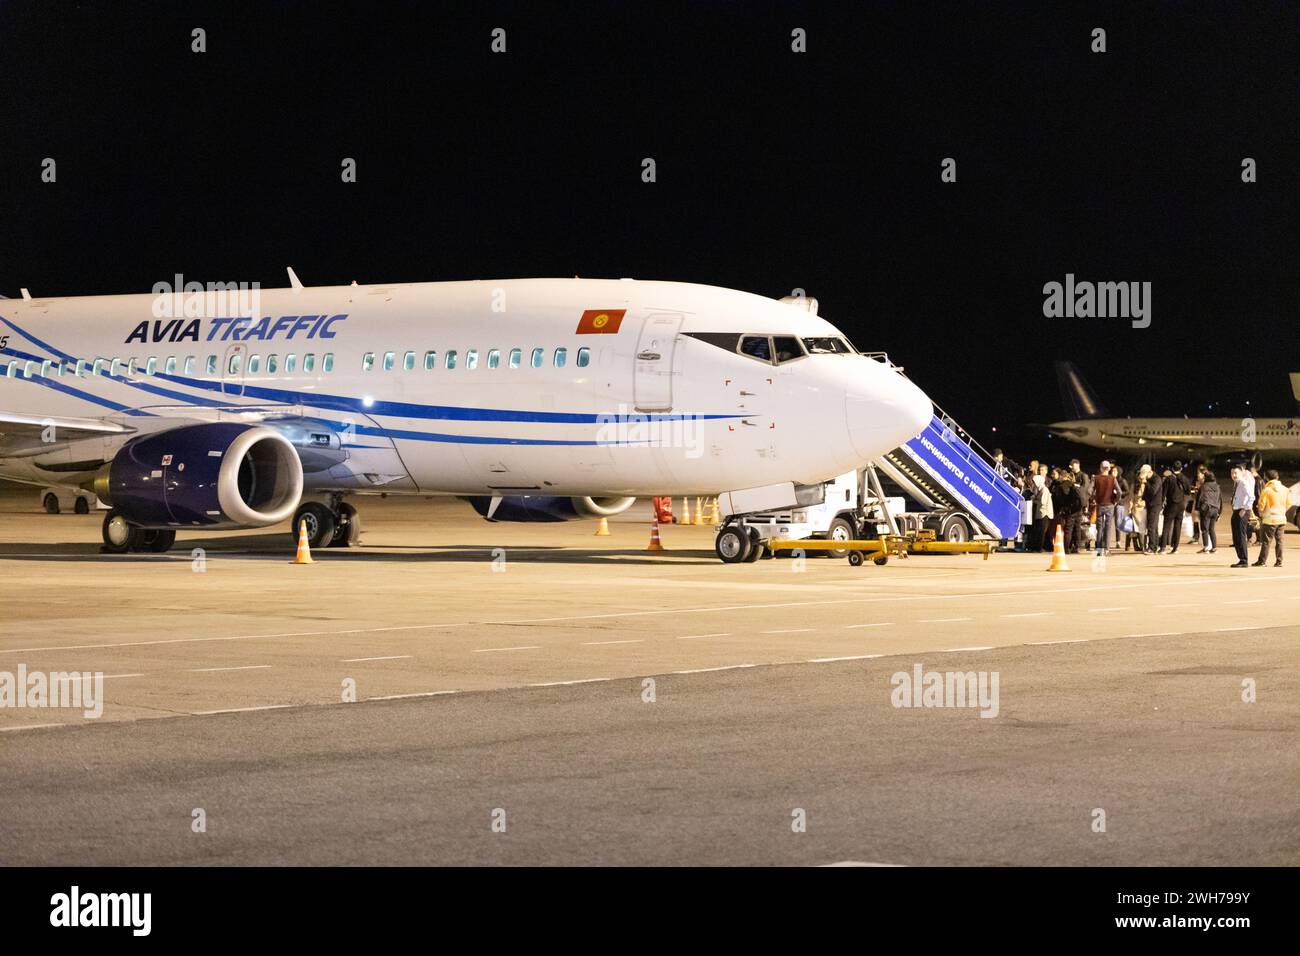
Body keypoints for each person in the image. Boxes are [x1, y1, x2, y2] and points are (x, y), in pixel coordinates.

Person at [1253, 469, 1287, 567]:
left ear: (1266, 478)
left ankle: (1262, 561)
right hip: (1281, 519)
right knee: (1280, 541)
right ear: (1277, 477)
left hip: (1269, 519)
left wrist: (1261, 513)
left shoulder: (1267, 489)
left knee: (1266, 542)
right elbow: (1288, 503)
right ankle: (1279, 561)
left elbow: (1261, 504)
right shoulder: (1284, 489)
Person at [1160, 461, 1190, 554]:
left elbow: (1163, 493)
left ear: (1172, 469)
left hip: (1171, 504)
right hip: (1181, 505)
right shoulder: (1185, 478)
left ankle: (1163, 548)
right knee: (1178, 526)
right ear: (1181, 468)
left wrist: (1161, 504)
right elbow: (1188, 491)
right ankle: (1175, 548)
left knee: (1166, 526)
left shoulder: (1169, 479)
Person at [1090, 459, 1118, 556]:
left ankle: (1098, 549)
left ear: (1101, 468)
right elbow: (1120, 492)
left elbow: (1089, 491)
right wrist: (1115, 500)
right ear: (1109, 468)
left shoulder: (1095, 478)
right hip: (1110, 505)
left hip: (1100, 505)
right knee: (1108, 527)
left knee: (1099, 527)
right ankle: (1106, 549)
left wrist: (1093, 498)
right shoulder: (1113, 479)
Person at [1229, 464, 1254, 568]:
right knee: (1236, 536)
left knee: (1241, 535)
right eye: (1232, 473)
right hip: (1236, 510)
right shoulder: (1237, 483)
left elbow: (1251, 497)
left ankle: (1244, 560)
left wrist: (1244, 508)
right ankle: (1241, 558)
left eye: (1236, 473)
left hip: (1242, 511)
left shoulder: (1243, 482)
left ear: (1241, 473)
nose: (1234, 475)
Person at [1140, 464, 1164, 553]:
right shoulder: (1150, 479)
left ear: (1149, 472)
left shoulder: (1157, 479)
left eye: (1145, 474)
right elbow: (1146, 492)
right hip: (1149, 504)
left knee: (1151, 526)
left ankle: (1151, 547)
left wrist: (1146, 482)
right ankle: (1156, 545)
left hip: (1155, 505)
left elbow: (1153, 491)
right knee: (1154, 526)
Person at [1068, 459, 1091, 552]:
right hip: (1072, 504)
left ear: (1077, 465)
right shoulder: (1071, 475)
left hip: (1080, 504)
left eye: (1072, 466)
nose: (1071, 468)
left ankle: (1077, 545)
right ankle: (1073, 545)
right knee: (1074, 526)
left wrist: (1085, 505)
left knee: (1077, 526)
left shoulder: (1083, 476)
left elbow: (1086, 491)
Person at [1196, 468, 1221, 553]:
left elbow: (1199, 498)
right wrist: (1219, 512)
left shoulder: (1204, 486)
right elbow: (1220, 500)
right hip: (1215, 509)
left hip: (1206, 509)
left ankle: (1206, 547)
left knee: (1204, 529)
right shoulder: (1217, 486)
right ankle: (1214, 547)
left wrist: (1198, 508)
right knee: (1212, 529)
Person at [1030, 470, 1053, 552]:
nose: (1034, 484)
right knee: (1039, 531)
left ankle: (1039, 548)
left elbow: (1043, 502)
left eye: (1035, 482)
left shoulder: (1044, 490)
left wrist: (1034, 500)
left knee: (1041, 532)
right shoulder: (1040, 490)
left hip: (1044, 514)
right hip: (1040, 513)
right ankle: (1040, 547)